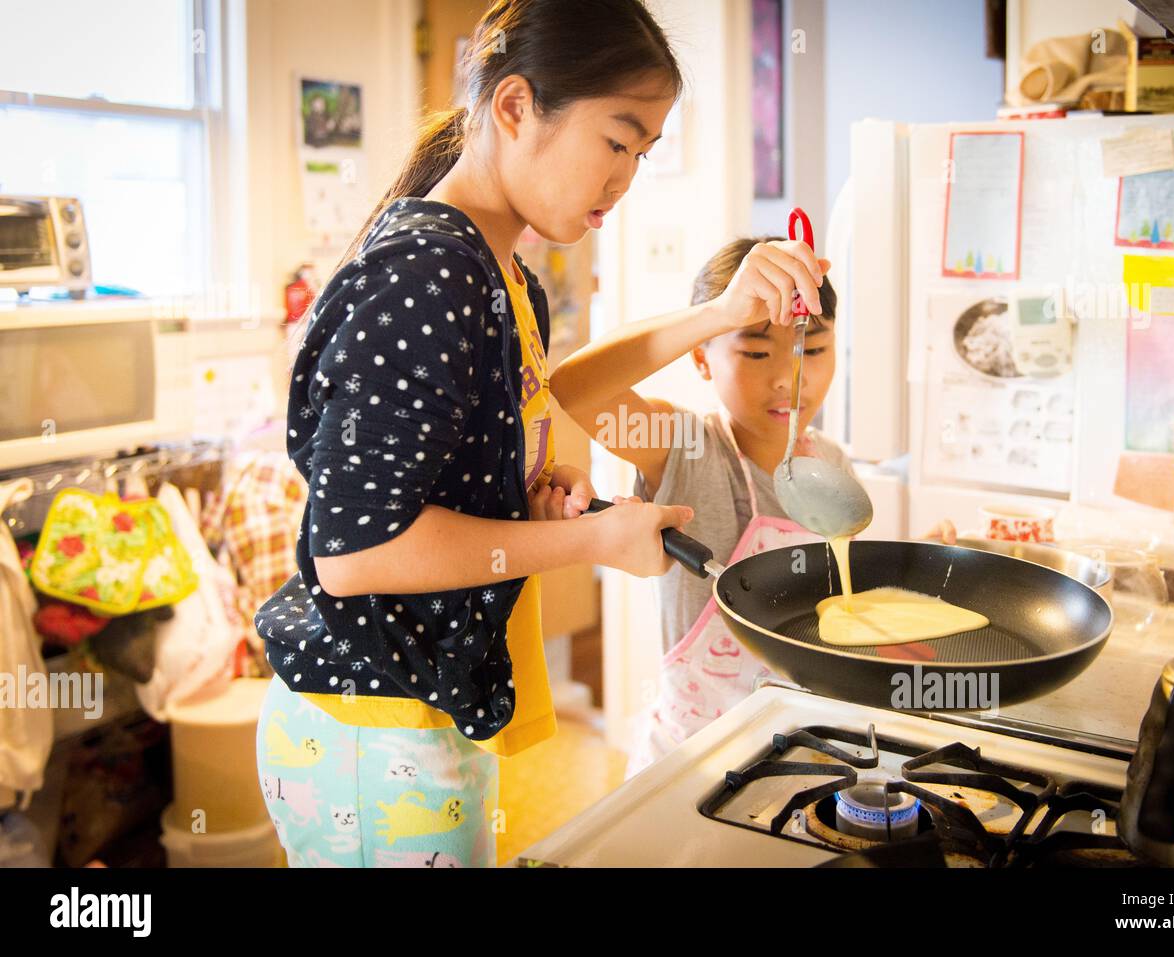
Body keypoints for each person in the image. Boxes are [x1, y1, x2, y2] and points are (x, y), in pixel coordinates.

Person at [254, 0, 699, 868]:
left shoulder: (507, 278)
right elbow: (354, 554)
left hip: (424, 703)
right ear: (515, 107)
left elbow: (452, 479)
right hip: (369, 729)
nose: (626, 178)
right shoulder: (430, 275)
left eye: (644, 154)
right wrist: (593, 541)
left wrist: (541, 497)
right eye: (617, 141)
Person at [551, 237, 956, 773]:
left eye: (812, 351)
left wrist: (905, 577)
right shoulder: (684, 447)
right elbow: (575, 387)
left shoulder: (831, 463)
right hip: (690, 761)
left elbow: (833, 606)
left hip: (805, 754)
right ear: (702, 358)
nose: (790, 378)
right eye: (757, 352)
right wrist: (718, 314)